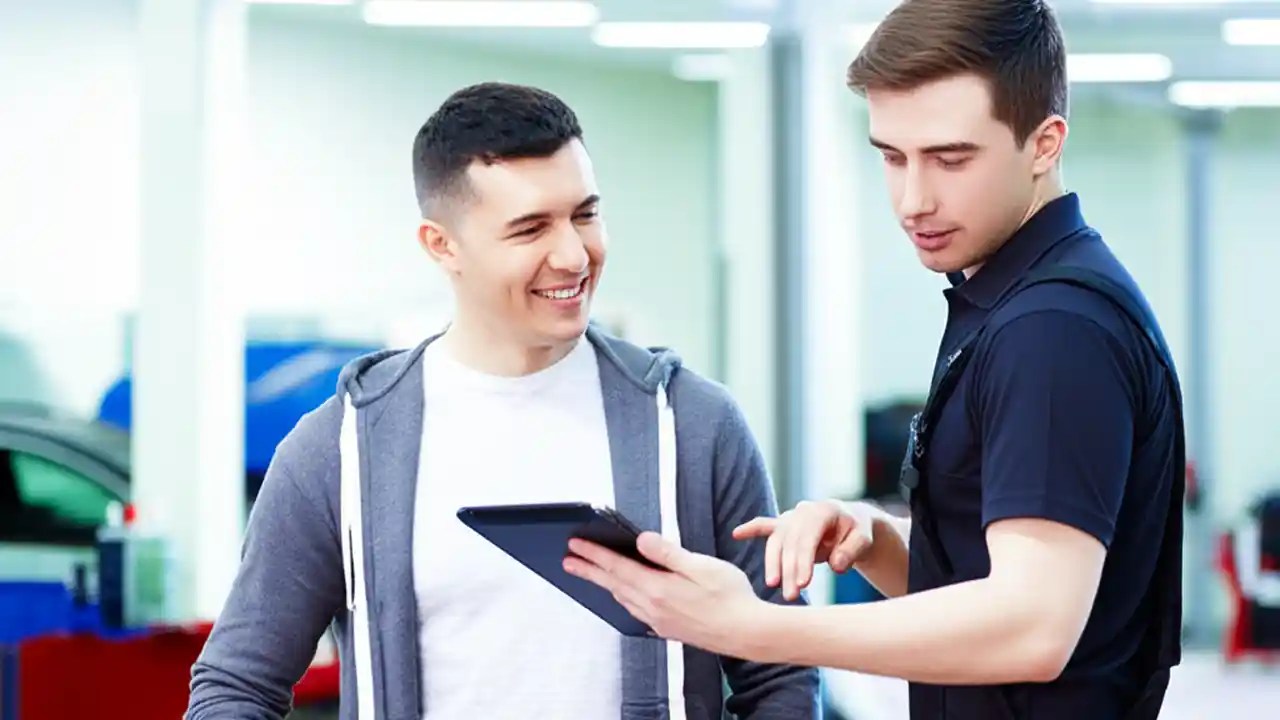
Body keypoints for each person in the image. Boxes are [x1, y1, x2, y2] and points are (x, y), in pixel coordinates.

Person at [564, 2, 1185, 718]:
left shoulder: (1053, 328)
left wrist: (756, 628)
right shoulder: (1010, 303)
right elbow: (990, 578)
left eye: (951, 159)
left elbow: (1034, 625)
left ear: (1044, 144)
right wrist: (877, 538)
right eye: (892, 156)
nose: (913, 199)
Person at [185, 82, 820, 720]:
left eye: (585, 214)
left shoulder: (694, 425)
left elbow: (781, 677)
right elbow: (236, 686)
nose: (573, 255)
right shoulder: (340, 449)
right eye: (530, 228)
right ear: (443, 245)